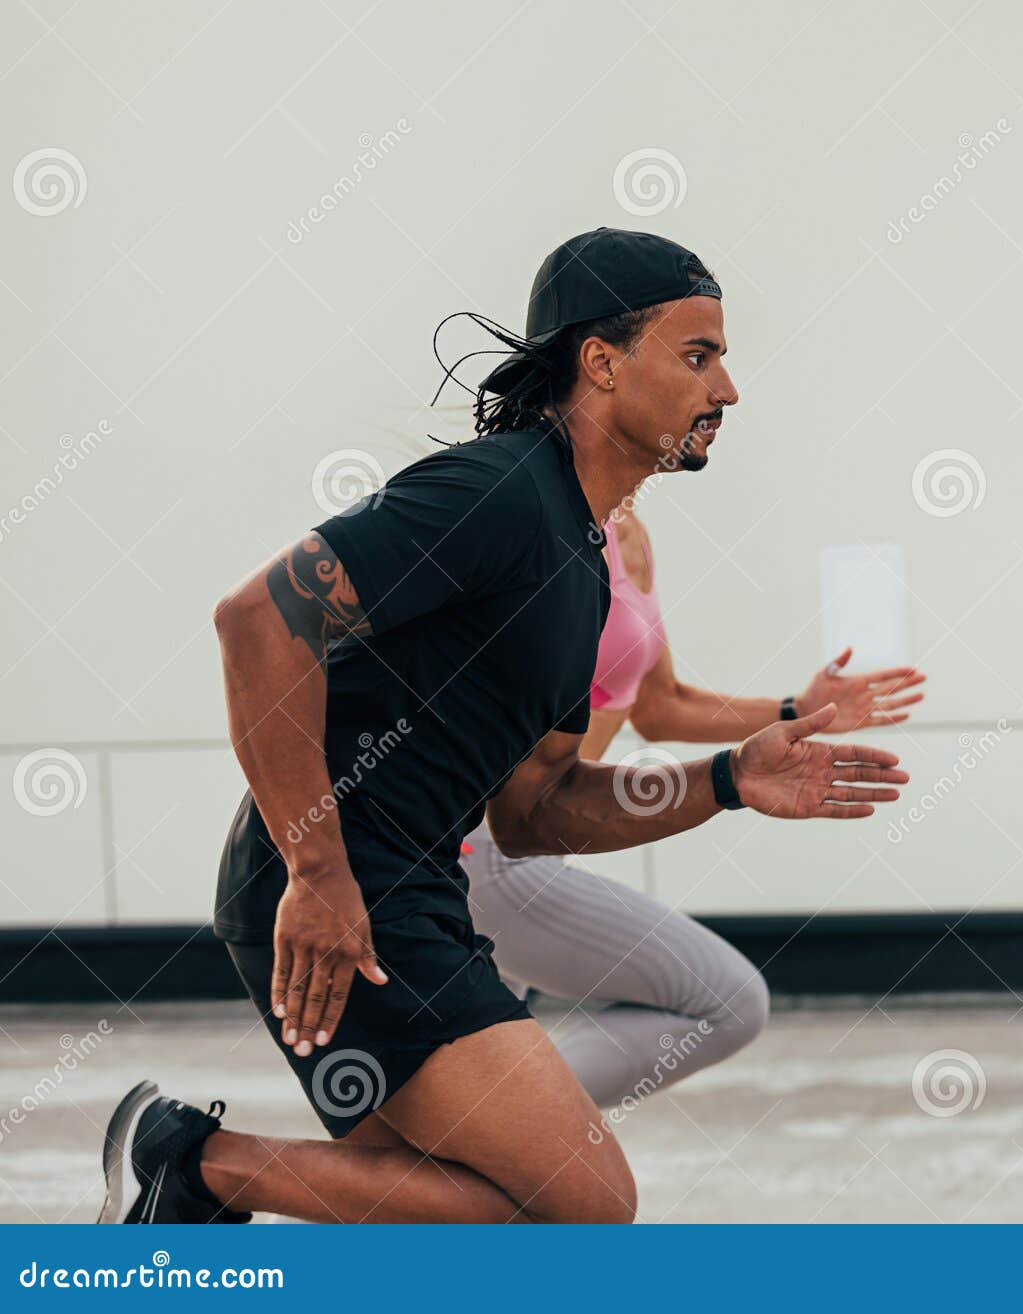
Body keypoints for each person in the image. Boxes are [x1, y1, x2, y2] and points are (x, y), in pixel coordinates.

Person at [96, 228, 909, 1225]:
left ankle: (186, 1170)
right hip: (345, 889)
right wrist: (317, 873)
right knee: (586, 1204)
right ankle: (193, 1163)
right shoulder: (497, 492)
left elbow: (536, 811)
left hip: (413, 886)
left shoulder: (579, 558)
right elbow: (260, 620)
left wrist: (729, 779)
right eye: (698, 356)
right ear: (600, 363)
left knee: (480, 1221)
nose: (728, 389)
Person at [462, 501, 927, 1111]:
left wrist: (795, 709)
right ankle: (496, 1129)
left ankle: (469, 1146)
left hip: (540, 841)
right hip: (488, 843)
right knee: (728, 1002)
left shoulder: (628, 537)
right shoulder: (525, 520)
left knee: (470, 1067)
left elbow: (658, 705)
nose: (719, 404)